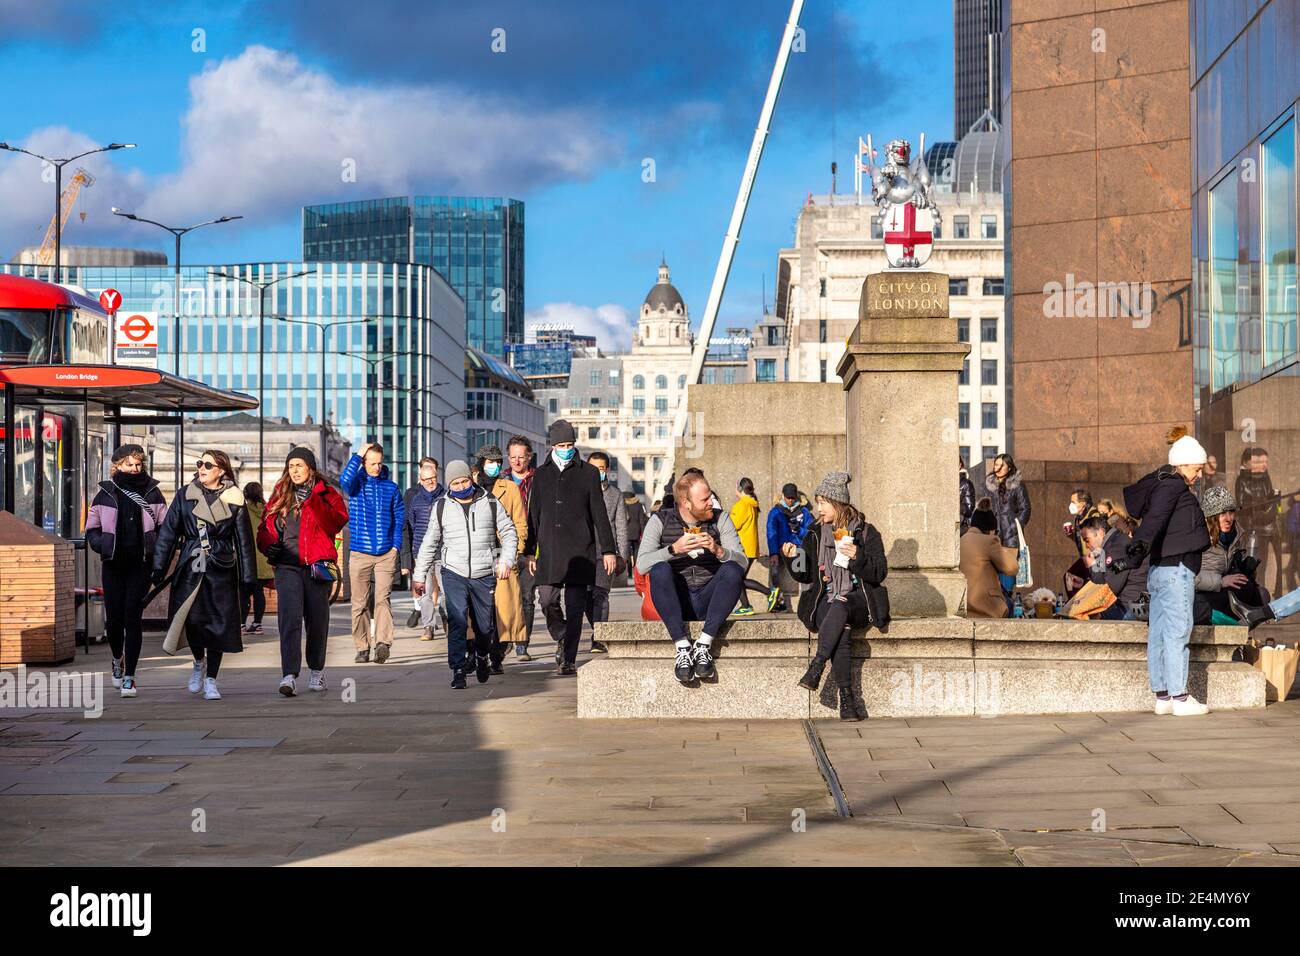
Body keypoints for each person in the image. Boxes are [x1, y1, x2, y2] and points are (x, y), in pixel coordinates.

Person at [152, 450, 257, 701]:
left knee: (218, 624)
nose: (202, 468)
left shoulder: (235, 499)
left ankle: (211, 679)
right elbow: (168, 533)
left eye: (208, 465)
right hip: (191, 563)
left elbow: (244, 541)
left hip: (221, 567)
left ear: (221, 471)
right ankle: (199, 662)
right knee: (193, 621)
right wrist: (159, 567)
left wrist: (248, 578)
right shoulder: (185, 495)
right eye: (200, 463)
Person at [1123, 431, 1212, 717]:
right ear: (1183, 464)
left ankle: (1163, 696)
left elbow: (1156, 520)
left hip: (1161, 570)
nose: (1199, 475)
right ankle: (1180, 698)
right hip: (1176, 572)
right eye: (1197, 469)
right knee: (1177, 631)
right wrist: (1135, 552)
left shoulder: (1163, 485)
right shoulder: (1173, 487)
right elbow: (1155, 521)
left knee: (1159, 633)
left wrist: (1138, 552)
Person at [786, 471, 888, 721]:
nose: (818, 509)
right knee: (839, 625)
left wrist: (857, 557)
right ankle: (847, 698)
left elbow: (879, 573)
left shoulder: (865, 532)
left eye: (822, 502)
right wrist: (793, 559)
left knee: (842, 605)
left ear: (838, 502)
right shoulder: (816, 532)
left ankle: (817, 665)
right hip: (826, 600)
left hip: (858, 600)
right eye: (818, 502)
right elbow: (806, 575)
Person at [412, 460, 518, 688]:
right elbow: (429, 543)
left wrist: (506, 560)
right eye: (455, 483)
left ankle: (482, 656)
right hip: (453, 572)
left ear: (471, 479)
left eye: (464, 481)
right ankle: (458, 669)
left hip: (483, 573)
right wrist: (419, 576)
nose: (460, 487)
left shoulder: (489, 502)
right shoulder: (442, 506)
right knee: (458, 619)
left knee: (484, 626)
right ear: (449, 485)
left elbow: (509, 532)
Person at [523, 420, 617, 675]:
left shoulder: (587, 473)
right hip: (550, 550)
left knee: (576, 607)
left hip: (580, 550)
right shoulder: (541, 474)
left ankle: (569, 659)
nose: (566, 449)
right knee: (546, 600)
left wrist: (609, 550)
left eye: (570, 444)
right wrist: (529, 551)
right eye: (562, 445)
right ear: (552, 445)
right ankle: (561, 633)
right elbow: (534, 514)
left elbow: (599, 514)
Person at [636, 471, 748, 684]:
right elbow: (642, 565)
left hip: (710, 599)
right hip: (677, 601)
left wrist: (718, 551)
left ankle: (703, 644)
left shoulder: (720, 518)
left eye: (710, 497)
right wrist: (673, 549)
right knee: (659, 569)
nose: (710, 502)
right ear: (686, 503)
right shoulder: (660, 520)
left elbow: (742, 561)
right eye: (704, 499)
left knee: (732, 569)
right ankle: (682, 648)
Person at [256, 447, 350, 696]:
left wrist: (314, 499)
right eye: (291, 466)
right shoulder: (280, 493)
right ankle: (289, 675)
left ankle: (317, 671)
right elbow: (264, 528)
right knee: (289, 620)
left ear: (310, 467)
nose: (294, 470)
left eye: (299, 465)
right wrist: (269, 546)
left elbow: (336, 521)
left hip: (318, 564)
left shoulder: (326, 492)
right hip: (287, 566)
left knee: (317, 621)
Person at [85, 444, 168, 699]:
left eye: (138, 465)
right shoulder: (105, 493)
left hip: (140, 565)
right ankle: (116, 658)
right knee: (114, 619)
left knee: (133, 617)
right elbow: (92, 528)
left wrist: (158, 561)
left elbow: (165, 529)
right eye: (129, 464)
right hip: (113, 564)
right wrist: (102, 545)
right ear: (118, 465)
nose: (134, 469)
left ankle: (130, 676)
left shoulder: (153, 493)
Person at [340, 442, 405, 664]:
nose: (376, 467)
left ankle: (382, 644)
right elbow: (344, 481)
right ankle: (362, 647)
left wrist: (396, 546)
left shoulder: (391, 488)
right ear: (364, 462)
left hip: (386, 552)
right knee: (359, 603)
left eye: (379, 463)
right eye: (371, 463)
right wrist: (357, 455)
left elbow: (399, 518)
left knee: (382, 599)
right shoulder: (356, 483)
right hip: (359, 552)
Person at [474, 445, 529, 671]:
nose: (495, 465)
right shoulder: (469, 486)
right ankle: (478, 654)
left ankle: (497, 654)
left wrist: (515, 553)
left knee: (501, 611)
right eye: (489, 461)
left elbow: (520, 524)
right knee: (479, 610)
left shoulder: (510, 488)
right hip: (476, 556)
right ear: (480, 463)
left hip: (502, 555)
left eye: (497, 461)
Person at [1192, 486, 1266, 625]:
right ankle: (1226, 630)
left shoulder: (1235, 536)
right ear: (1211, 516)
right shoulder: (1197, 537)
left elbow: (1231, 573)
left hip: (1221, 592)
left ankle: (1235, 633)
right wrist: (1221, 581)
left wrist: (1244, 570)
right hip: (1198, 595)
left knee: (1260, 594)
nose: (1228, 519)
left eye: (1231, 512)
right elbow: (1186, 576)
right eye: (1222, 513)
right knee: (1239, 596)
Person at [583, 451, 628, 653]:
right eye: (593, 468)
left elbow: (621, 527)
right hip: (583, 552)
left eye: (600, 469)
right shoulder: (579, 491)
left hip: (605, 554)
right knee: (585, 596)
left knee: (600, 594)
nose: (596, 472)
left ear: (606, 470)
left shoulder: (615, 495)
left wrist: (622, 557)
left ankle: (599, 638)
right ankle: (597, 629)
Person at [399, 457, 445, 642]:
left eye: (433, 478)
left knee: (447, 591)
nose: (430, 483)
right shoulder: (415, 500)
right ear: (420, 480)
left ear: (437, 476)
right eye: (426, 480)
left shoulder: (446, 497)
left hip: (443, 552)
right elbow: (410, 525)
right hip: (422, 553)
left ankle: (450, 621)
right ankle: (428, 626)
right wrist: (409, 556)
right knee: (424, 592)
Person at [959, 498, 1020, 619]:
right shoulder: (989, 541)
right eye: (995, 531)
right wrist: (998, 544)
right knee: (1013, 608)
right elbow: (1012, 568)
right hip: (986, 608)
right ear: (990, 530)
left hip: (965, 607)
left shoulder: (961, 540)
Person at [1079, 514, 1147, 620]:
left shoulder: (1117, 546)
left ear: (1101, 532)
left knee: (1086, 617)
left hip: (1129, 608)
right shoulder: (1112, 544)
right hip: (1129, 604)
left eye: (1087, 540)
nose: (1087, 546)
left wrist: (1093, 565)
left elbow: (1108, 588)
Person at [1236, 446, 1284, 595]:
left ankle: (1274, 592)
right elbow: (1243, 505)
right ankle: (1259, 595)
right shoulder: (1243, 479)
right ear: (1247, 463)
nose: (1263, 465)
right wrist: (1266, 503)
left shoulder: (1264, 476)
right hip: (1255, 529)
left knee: (1275, 563)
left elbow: (1270, 500)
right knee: (1259, 565)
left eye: (1265, 461)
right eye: (1258, 462)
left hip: (1270, 525)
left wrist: (1274, 501)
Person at [985, 453, 1031, 611]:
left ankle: (1007, 607)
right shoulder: (990, 485)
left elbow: (1026, 508)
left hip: (1011, 537)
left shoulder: (1017, 485)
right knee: (992, 575)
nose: (997, 468)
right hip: (992, 536)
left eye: (1001, 465)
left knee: (1007, 574)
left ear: (1009, 467)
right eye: (995, 464)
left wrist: (1015, 524)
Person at [730, 477, 782, 615]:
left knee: (736, 579)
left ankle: (768, 593)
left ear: (740, 489)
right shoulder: (752, 504)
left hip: (741, 548)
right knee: (738, 579)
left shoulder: (742, 504)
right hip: (750, 548)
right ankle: (746, 605)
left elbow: (733, 525)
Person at [506, 435, 538, 660]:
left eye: (521, 457)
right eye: (513, 457)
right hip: (505, 549)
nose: (517, 461)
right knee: (506, 597)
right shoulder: (501, 481)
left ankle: (522, 643)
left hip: (531, 549)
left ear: (529, 457)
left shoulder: (539, 480)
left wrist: (532, 551)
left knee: (527, 596)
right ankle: (506, 638)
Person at [766, 482, 814, 612]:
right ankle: (779, 602)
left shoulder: (804, 512)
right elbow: (771, 532)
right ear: (783, 496)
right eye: (788, 497)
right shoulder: (775, 512)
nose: (790, 500)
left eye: (793, 497)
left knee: (803, 573)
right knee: (774, 572)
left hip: (798, 547)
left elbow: (811, 532)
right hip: (781, 548)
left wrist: (799, 530)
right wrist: (773, 552)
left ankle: (807, 602)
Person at [241, 482, 272, 635]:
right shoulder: (267, 511)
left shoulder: (244, 510)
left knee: (244, 592)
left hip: (247, 557)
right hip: (263, 557)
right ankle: (257, 624)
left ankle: (241, 624)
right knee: (258, 591)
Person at [624, 491, 648, 568]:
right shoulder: (639, 505)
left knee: (627, 550)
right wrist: (643, 532)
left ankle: (629, 570)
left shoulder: (623, 504)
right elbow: (642, 521)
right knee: (636, 549)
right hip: (636, 531)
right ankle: (636, 569)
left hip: (626, 530)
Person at [958, 457, 976, 533]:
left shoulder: (966, 484)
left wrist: (953, 504)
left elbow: (969, 510)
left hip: (961, 527)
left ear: (959, 465)